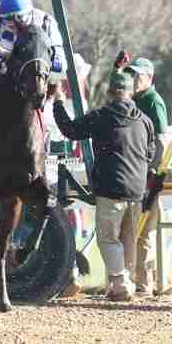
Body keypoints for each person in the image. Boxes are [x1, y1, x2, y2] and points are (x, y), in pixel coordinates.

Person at [52, 69, 157, 302]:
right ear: (130, 93)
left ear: (110, 93)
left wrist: (58, 102)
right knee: (128, 239)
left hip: (111, 190)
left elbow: (69, 130)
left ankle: (120, 285)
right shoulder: (145, 120)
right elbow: (150, 153)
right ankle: (123, 283)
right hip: (137, 191)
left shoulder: (102, 116)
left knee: (108, 239)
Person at [125, 57, 170, 294]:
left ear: (149, 78)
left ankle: (144, 285)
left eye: (137, 76)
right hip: (137, 174)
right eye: (131, 75)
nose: (133, 79)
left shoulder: (153, 101)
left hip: (148, 177)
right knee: (139, 231)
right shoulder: (136, 99)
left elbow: (162, 140)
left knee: (143, 233)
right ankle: (147, 282)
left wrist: (151, 172)